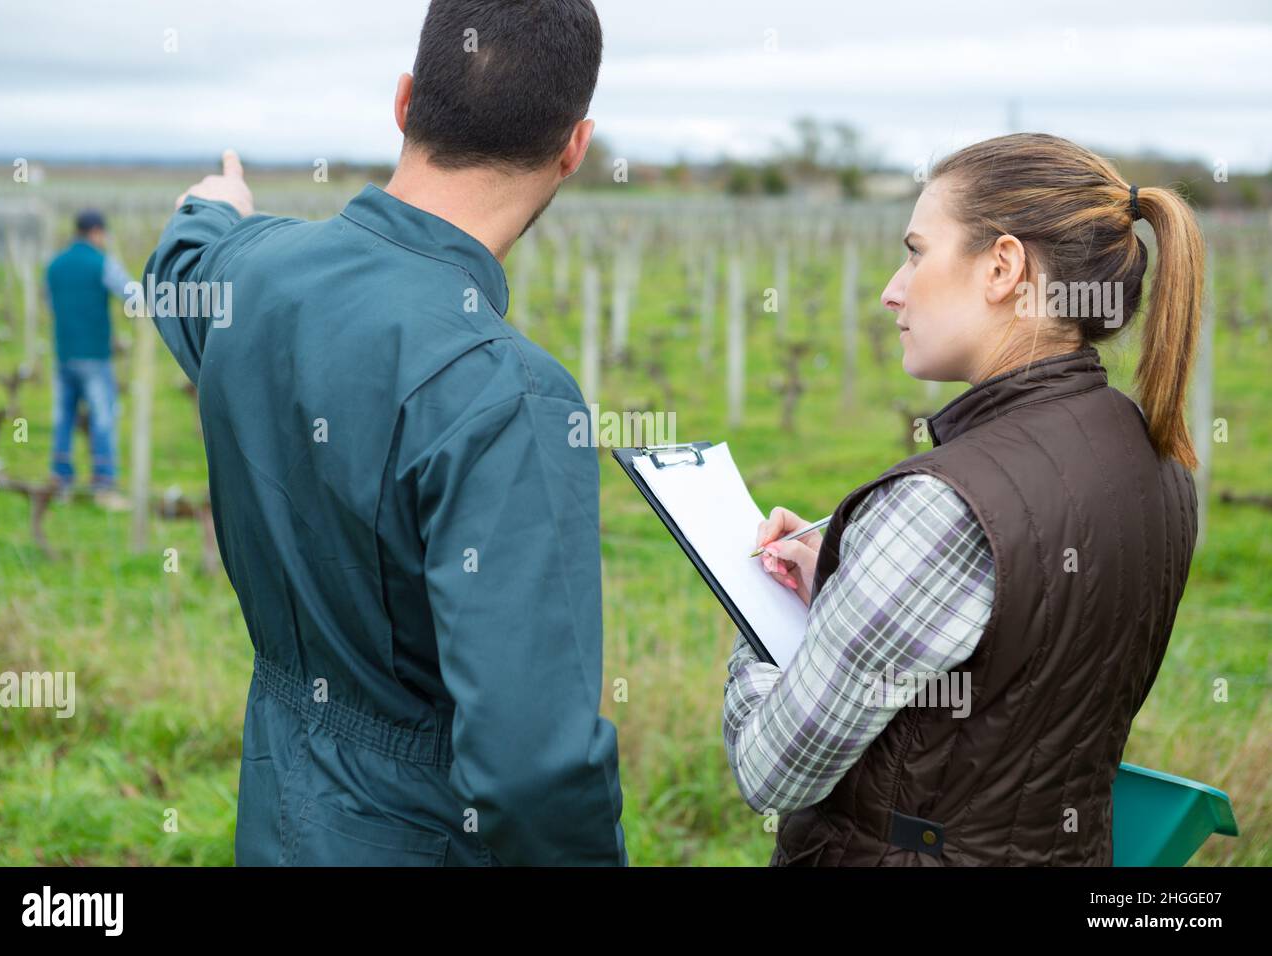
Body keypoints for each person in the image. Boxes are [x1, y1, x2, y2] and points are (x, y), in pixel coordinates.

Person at [144, 0, 625, 865]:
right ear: (574, 149)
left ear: (404, 102)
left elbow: (180, 265)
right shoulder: (510, 395)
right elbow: (532, 772)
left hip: (279, 805)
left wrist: (212, 205)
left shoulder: (250, 277)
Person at [724, 132, 1203, 866]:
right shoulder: (1159, 463)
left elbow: (774, 769)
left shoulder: (939, 509)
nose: (893, 288)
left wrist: (748, 610)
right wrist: (847, 582)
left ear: (1003, 266)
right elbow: (1018, 659)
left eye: (917, 252)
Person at [44, 208, 135, 510]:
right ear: (96, 232)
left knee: (63, 418)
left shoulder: (54, 265)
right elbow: (132, 296)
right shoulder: (102, 263)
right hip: (95, 354)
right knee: (103, 418)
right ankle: (104, 485)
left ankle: (61, 481)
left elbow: (49, 302)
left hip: (64, 353)